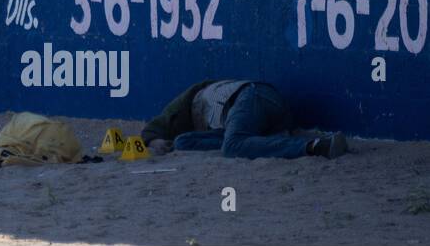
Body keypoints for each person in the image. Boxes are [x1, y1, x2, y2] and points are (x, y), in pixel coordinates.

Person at [141, 79, 349, 160]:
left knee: (231, 146)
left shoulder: (190, 99)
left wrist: (151, 139)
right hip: (265, 118)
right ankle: (298, 144)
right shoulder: (203, 126)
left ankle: (314, 146)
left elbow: (159, 122)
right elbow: (183, 140)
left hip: (248, 98)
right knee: (182, 142)